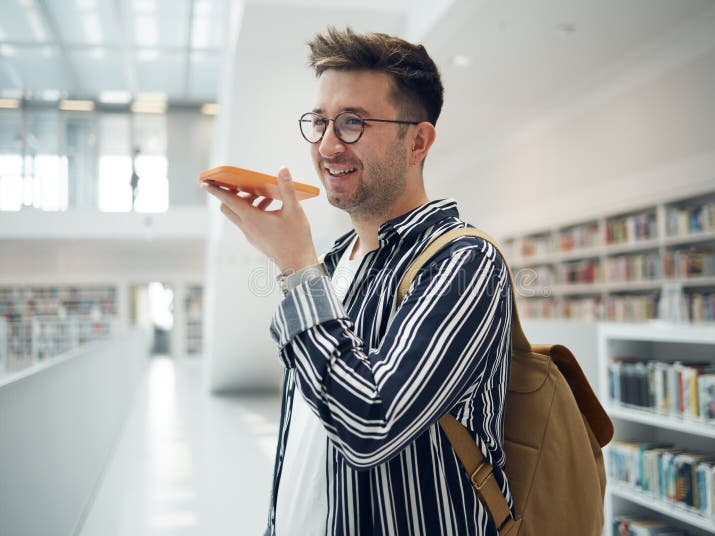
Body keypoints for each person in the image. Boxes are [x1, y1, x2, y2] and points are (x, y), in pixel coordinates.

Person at [202, 27, 513, 535]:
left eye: (352, 123)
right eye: (320, 122)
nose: (327, 146)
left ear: (417, 141)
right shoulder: (333, 262)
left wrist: (295, 266)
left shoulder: (465, 262)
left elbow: (370, 422)